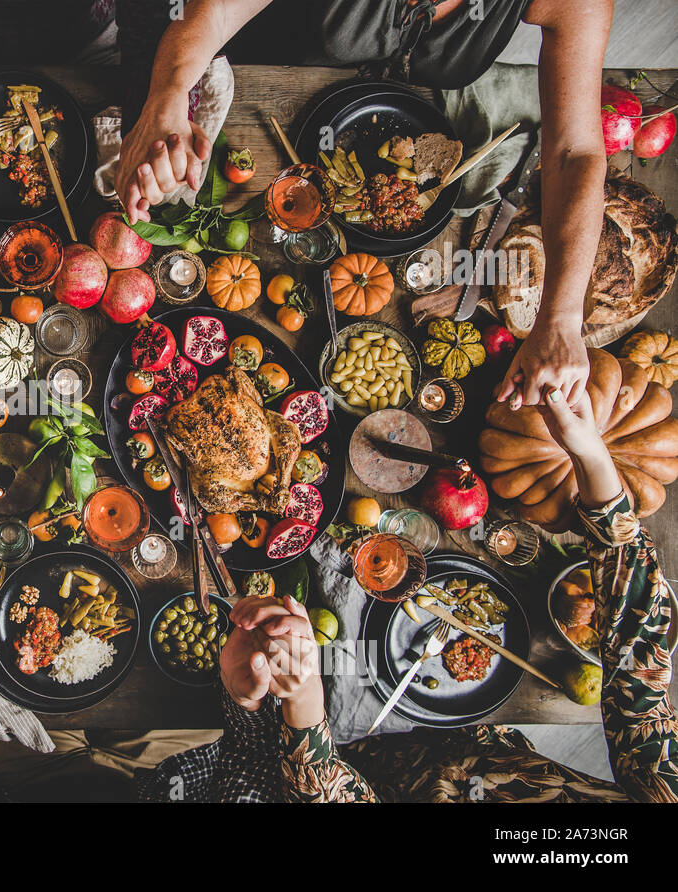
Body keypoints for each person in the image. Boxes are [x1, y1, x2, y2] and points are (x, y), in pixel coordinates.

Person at [142, 383, 678, 803]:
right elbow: (641, 654)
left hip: (340, 768)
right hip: (458, 746)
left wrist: (300, 701)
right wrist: (594, 459)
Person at [115, 0, 612, 412]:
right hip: (265, 101)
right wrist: (169, 95)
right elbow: (217, 13)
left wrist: (562, 318)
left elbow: (575, 153)